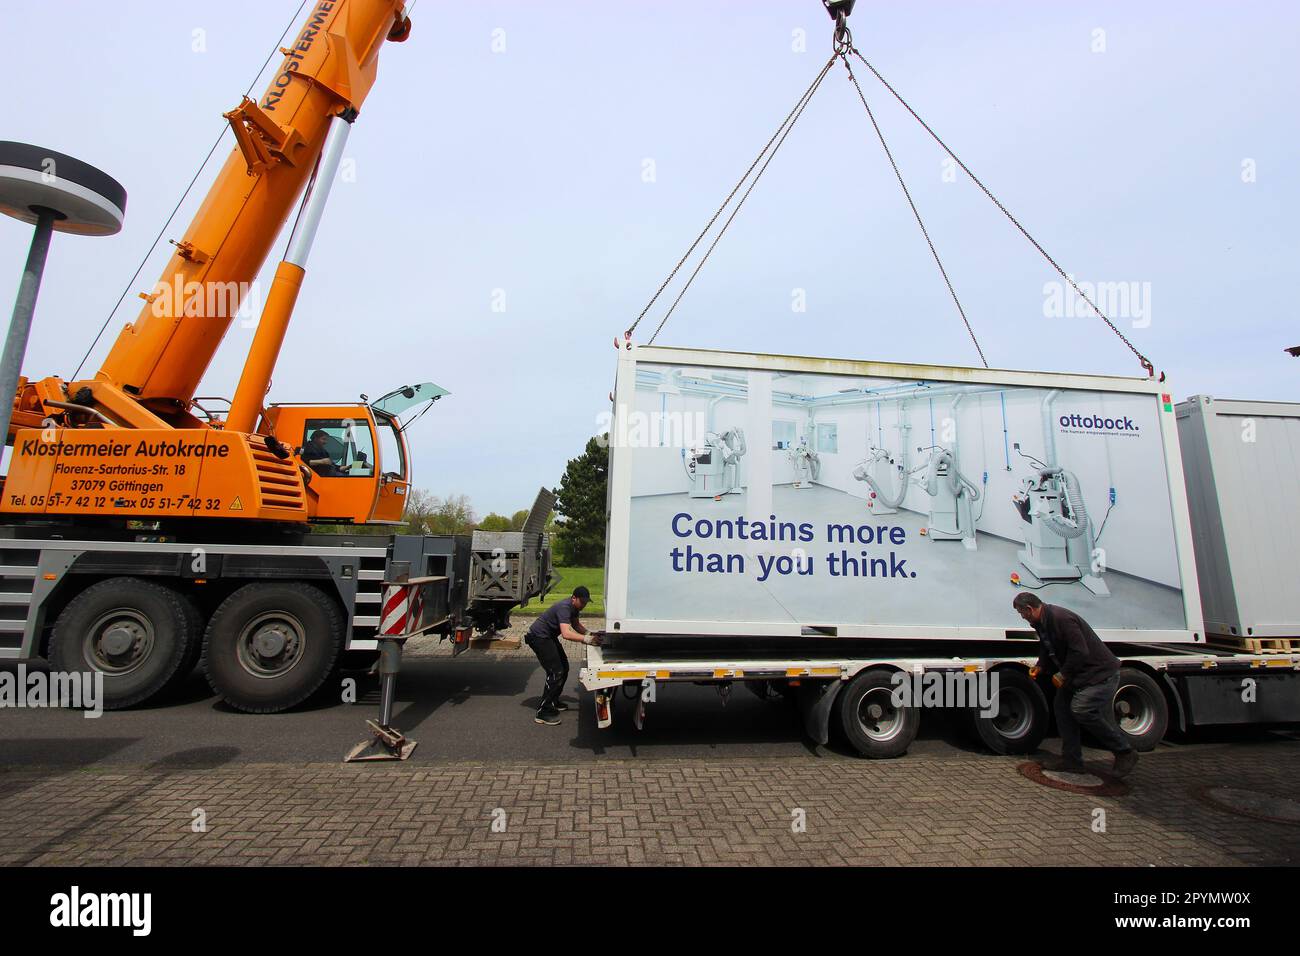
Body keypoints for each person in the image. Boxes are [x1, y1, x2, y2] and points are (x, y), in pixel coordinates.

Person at [1012, 592, 1138, 777]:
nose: (1022, 617)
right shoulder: (1040, 622)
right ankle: (1072, 761)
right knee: (1062, 708)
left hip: (1099, 675)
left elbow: (1080, 652)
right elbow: (1047, 647)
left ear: (1029, 609)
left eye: (1021, 612)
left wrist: (1063, 674)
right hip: (1078, 677)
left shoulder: (1061, 619)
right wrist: (1040, 666)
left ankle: (1124, 751)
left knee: (1082, 710)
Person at [526, 586, 599, 725]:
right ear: (573, 598)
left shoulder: (575, 608)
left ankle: (553, 700)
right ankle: (543, 712)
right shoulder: (564, 607)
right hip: (538, 637)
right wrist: (586, 640)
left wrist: (591, 634)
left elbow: (576, 625)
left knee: (564, 667)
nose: (583, 605)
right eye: (582, 602)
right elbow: (566, 634)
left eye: (586, 602)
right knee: (555, 671)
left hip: (548, 637)